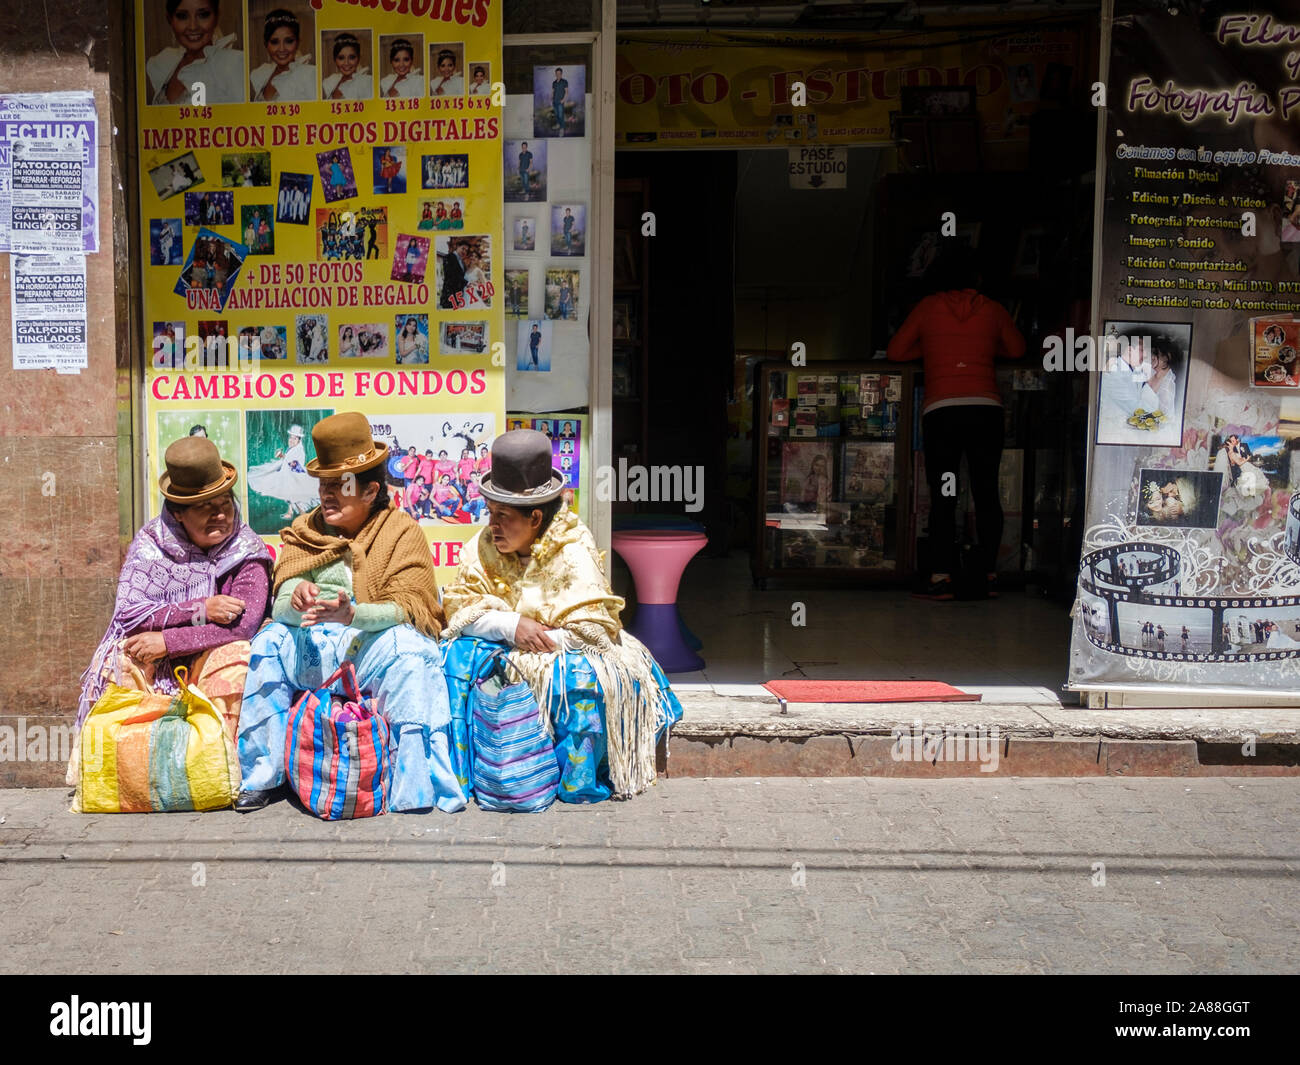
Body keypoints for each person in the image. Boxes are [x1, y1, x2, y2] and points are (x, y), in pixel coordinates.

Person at [440, 429, 684, 802]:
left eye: (503, 516)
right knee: (453, 658)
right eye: (490, 513)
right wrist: (511, 626)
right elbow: (460, 610)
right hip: (510, 644)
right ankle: (475, 778)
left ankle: (576, 779)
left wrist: (538, 640)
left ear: (536, 516)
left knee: (578, 676)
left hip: (563, 650)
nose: (493, 525)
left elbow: (589, 633)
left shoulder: (573, 550)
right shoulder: (483, 546)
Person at [235, 413, 462, 814]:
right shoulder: (305, 530)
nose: (327, 495)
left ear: (371, 490)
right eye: (323, 484)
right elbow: (282, 599)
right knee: (269, 641)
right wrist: (297, 598)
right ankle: (260, 778)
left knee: (413, 651)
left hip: (366, 650)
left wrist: (352, 614)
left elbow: (409, 607)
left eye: (339, 485)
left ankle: (413, 786)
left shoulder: (401, 532)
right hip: (313, 653)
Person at [69, 437, 271, 786]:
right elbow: (131, 614)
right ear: (177, 512)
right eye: (204, 507)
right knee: (120, 657)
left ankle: (218, 775)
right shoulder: (152, 544)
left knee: (236, 659)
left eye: (225, 503)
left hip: (207, 655)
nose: (220, 515)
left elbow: (244, 625)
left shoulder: (246, 551)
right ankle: (121, 774)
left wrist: (168, 641)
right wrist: (200, 608)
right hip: (159, 659)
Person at [887, 246, 1025, 600]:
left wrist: (932, 349)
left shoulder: (928, 308)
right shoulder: (993, 309)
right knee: (985, 491)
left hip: (943, 413)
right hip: (985, 410)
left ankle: (941, 576)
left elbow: (896, 352)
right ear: (976, 277)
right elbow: (1016, 350)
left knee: (945, 495)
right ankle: (986, 575)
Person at [147, 0, 245, 106]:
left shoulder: (235, 65)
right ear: (169, 19)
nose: (193, 27)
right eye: (182, 16)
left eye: (203, 15)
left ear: (217, 17)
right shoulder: (161, 63)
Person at [248, 423, 317, 520]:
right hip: (287, 475)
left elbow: (295, 465)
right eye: (290, 438)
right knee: (288, 494)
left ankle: (303, 514)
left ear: (299, 440)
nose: (291, 440)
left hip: (295, 477)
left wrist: (283, 456)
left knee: (294, 497)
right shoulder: (291, 449)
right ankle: (290, 512)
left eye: (294, 439)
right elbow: (287, 461)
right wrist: (282, 458)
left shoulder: (299, 450)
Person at [250, 9, 316, 102]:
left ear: (297, 43)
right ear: (266, 44)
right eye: (274, 42)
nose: (282, 49)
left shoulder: (309, 75)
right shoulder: (260, 74)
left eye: (289, 41)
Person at [322, 32, 371, 100]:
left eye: (351, 57)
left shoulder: (367, 82)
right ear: (335, 60)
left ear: (359, 58)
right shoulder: (330, 81)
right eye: (341, 58)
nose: (346, 63)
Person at [439, 240, 467, 309]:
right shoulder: (449, 257)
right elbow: (451, 275)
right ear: (457, 246)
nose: (464, 252)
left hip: (459, 297)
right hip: (449, 296)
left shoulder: (462, 263)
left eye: (466, 250)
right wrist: (467, 282)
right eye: (463, 248)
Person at [551, 67, 568, 133]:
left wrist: (563, 100)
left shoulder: (564, 82)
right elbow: (552, 91)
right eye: (557, 73)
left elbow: (566, 92)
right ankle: (558, 124)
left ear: (561, 74)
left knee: (561, 115)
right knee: (556, 115)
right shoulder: (554, 82)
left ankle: (562, 128)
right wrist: (551, 99)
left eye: (559, 73)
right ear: (555, 74)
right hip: (554, 101)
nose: (558, 75)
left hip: (560, 102)